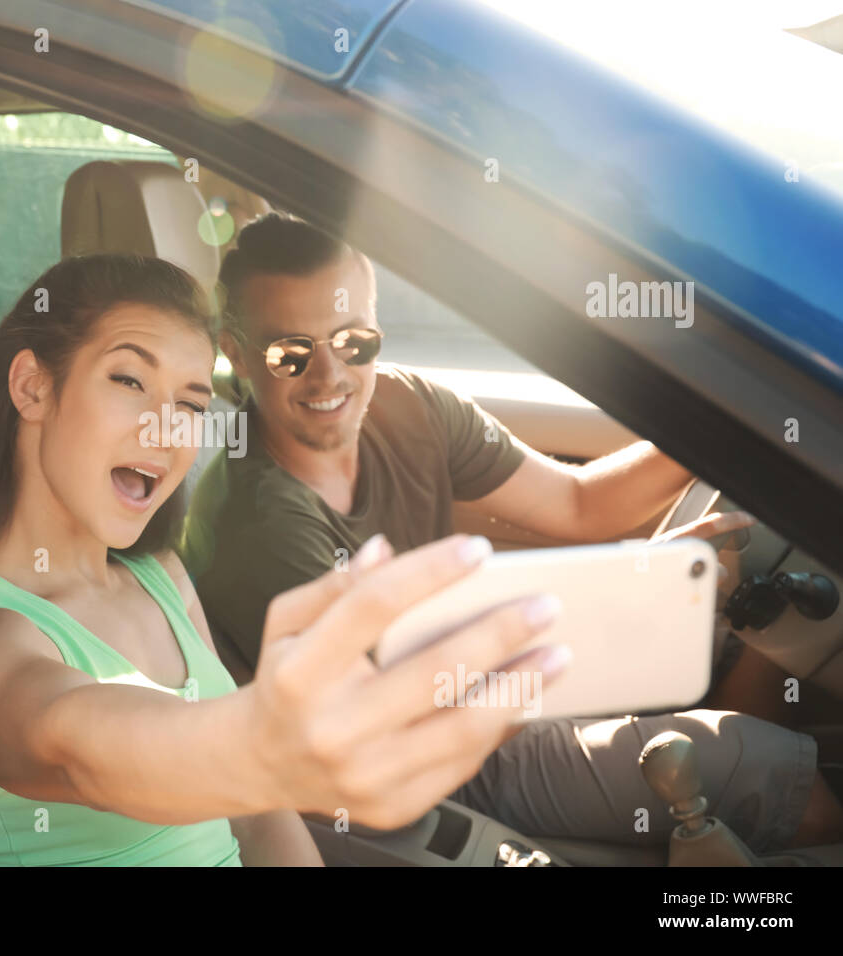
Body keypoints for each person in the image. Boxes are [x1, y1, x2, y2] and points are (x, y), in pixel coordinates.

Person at [0, 253, 568, 866]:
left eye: (191, 404)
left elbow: (256, 816)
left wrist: (263, 766)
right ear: (33, 387)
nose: (166, 428)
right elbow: (77, 745)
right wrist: (264, 743)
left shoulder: (160, 580)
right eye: (129, 381)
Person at [181, 212, 843, 853]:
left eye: (354, 342)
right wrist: (623, 598)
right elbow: (396, 722)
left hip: (492, 691)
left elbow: (579, 504)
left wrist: (722, 429)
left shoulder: (406, 405)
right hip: (448, 752)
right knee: (801, 798)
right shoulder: (257, 521)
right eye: (291, 354)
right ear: (236, 352)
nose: (330, 376)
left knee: (755, 667)